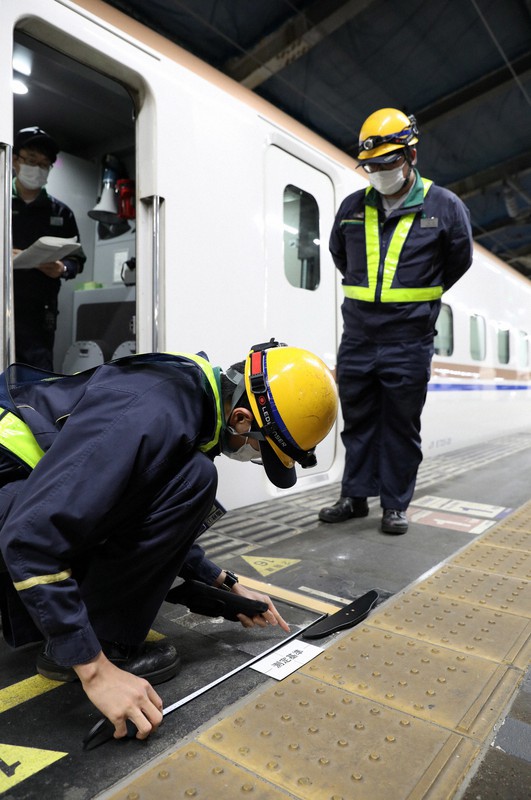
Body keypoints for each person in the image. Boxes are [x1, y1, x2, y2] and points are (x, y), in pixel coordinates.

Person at [0, 340, 338, 740]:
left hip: (26, 491)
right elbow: (29, 539)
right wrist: (94, 670)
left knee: (194, 477)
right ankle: (96, 645)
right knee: (197, 479)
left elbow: (141, 508)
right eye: (258, 449)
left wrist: (224, 584)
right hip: (12, 492)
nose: (251, 456)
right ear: (244, 419)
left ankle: (83, 622)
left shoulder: (193, 398)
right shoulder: (150, 414)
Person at [319, 108, 473, 535]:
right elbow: (338, 255)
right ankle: (354, 497)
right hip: (359, 336)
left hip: (409, 338)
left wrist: (417, 296)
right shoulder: (353, 207)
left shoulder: (444, 206)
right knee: (359, 420)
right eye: (372, 166)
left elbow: (458, 260)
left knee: (401, 425)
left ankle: (395, 504)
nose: (381, 172)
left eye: (389, 163)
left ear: (411, 155)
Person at [12, 126, 86, 370]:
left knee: (37, 381)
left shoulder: (62, 213)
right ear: (14, 161)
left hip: (39, 314)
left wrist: (62, 267)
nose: (38, 169)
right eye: (32, 160)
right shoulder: (1, 202)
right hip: (4, 305)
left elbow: (77, 259)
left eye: (44, 165)